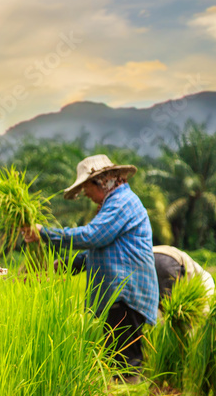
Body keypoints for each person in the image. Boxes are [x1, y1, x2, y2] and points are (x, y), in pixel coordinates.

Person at [23, 154, 156, 374]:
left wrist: (44, 233)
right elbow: (95, 252)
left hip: (124, 294)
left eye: (87, 189)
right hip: (117, 295)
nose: (87, 194)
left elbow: (92, 237)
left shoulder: (122, 202)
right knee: (116, 359)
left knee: (126, 363)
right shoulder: (113, 204)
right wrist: (60, 266)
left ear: (101, 181)